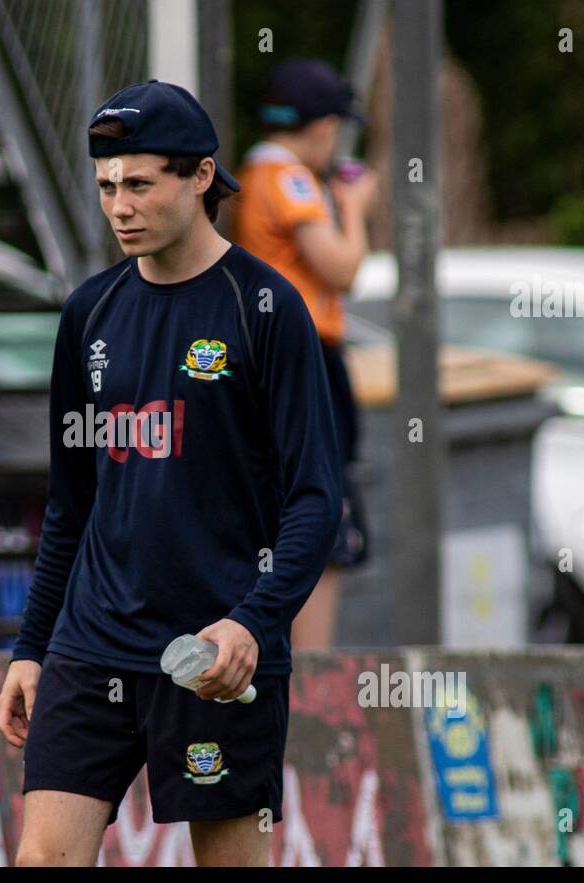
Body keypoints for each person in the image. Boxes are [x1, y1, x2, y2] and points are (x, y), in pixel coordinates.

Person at [0, 79, 341, 867]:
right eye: (108, 186)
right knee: (42, 859)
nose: (120, 205)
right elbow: (71, 504)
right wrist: (31, 645)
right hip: (92, 645)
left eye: (140, 183)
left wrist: (254, 623)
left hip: (214, 657)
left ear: (199, 176)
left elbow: (317, 501)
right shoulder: (89, 313)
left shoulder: (266, 308)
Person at [233, 59, 378, 651]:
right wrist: (355, 206)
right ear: (322, 128)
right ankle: (311, 670)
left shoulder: (256, 171)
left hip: (281, 353)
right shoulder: (289, 179)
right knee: (324, 507)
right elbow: (342, 267)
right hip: (309, 352)